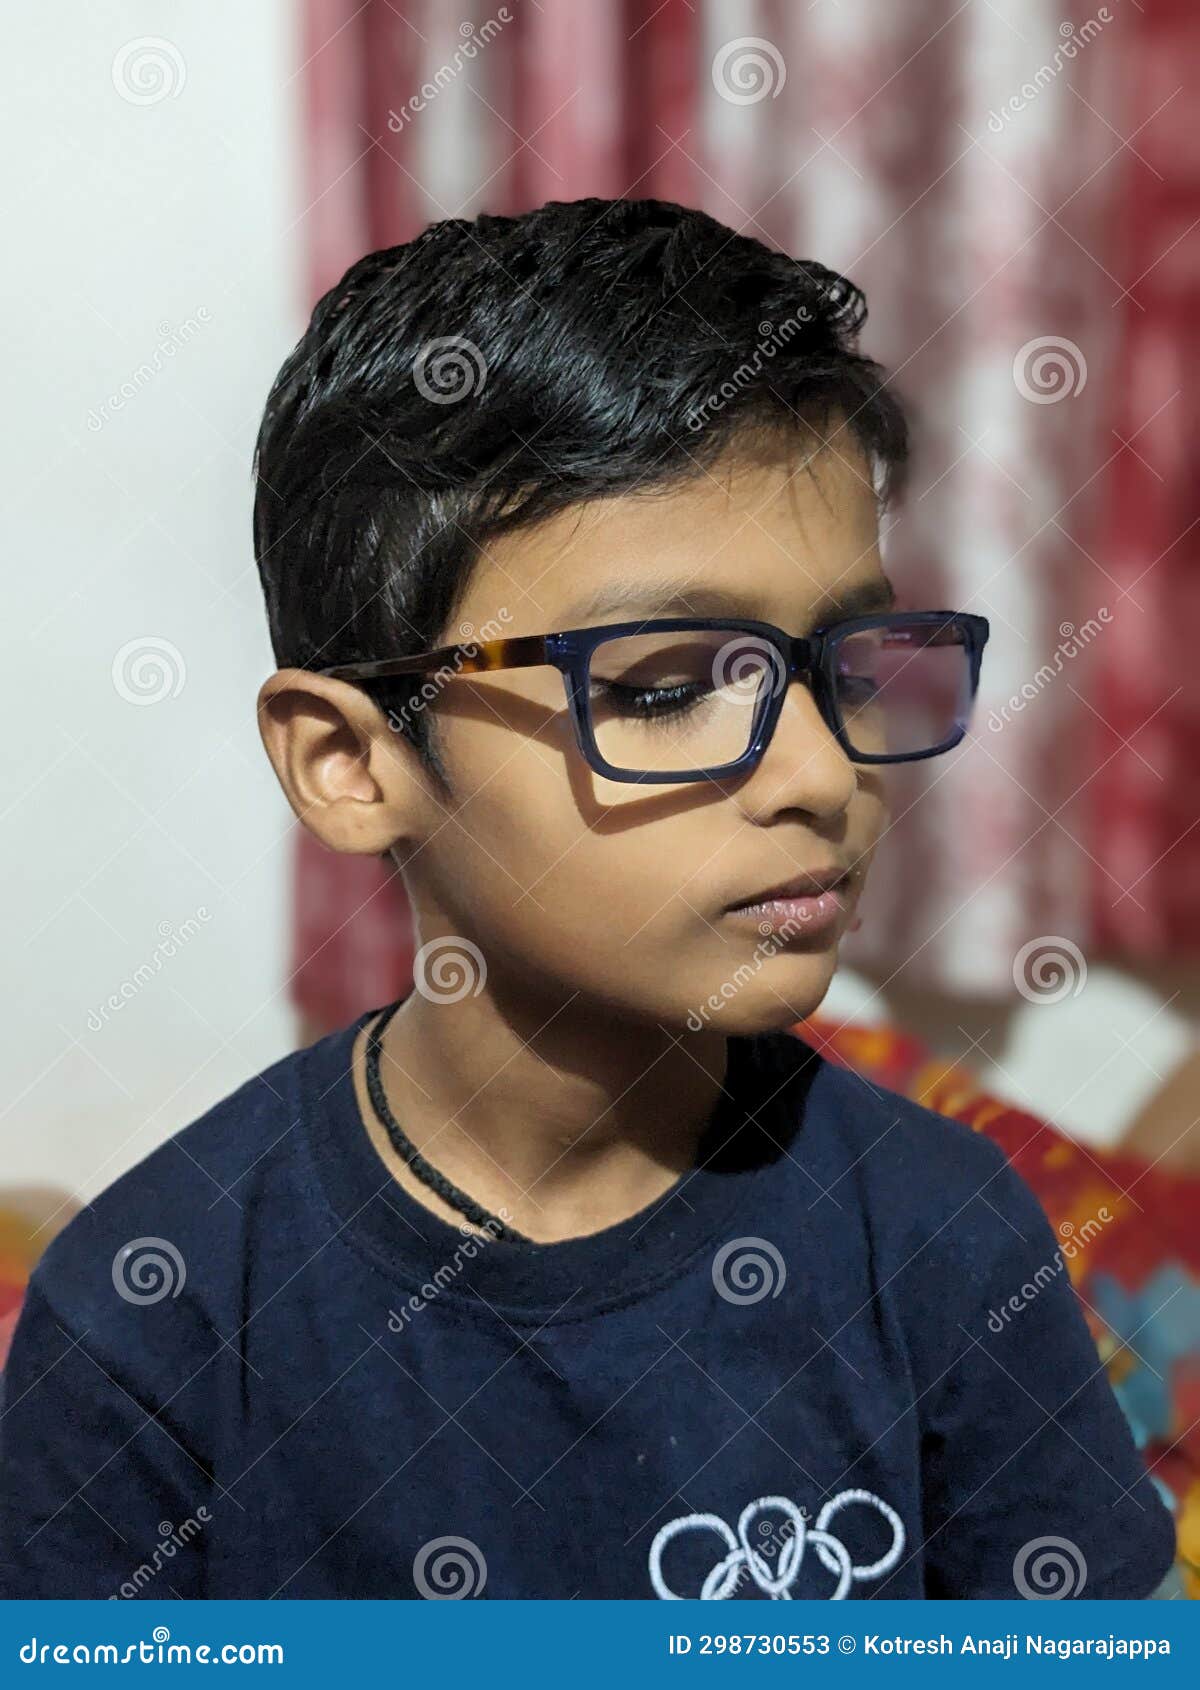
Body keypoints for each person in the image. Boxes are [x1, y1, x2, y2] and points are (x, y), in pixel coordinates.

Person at [0, 199, 1176, 1601]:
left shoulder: (942, 1241)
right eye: (669, 685)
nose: (821, 769)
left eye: (847, 658)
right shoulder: (158, 1315)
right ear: (353, 761)